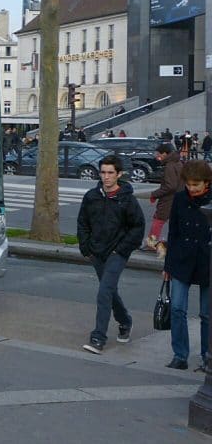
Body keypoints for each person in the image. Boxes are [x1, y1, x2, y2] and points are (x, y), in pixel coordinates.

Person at [77, 155, 145, 355]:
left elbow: (138, 227)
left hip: (118, 252)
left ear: (119, 174)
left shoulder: (127, 200)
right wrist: (86, 247)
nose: (106, 177)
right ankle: (125, 321)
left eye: (110, 173)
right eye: (103, 172)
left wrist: (121, 249)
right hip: (96, 251)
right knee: (109, 291)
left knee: (104, 291)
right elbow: (83, 223)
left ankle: (98, 338)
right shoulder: (91, 196)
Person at [161, 160, 212, 371]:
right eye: (189, 184)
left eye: (196, 185)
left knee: (207, 314)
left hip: (207, 261)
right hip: (182, 260)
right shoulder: (181, 199)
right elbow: (173, 232)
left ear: (206, 183)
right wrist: (167, 265)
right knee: (177, 308)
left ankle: (207, 356)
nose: (192, 189)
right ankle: (180, 355)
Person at [142, 143, 183, 251]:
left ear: (165, 153)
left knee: (158, 220)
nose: (157, 156)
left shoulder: (169, 166)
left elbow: (170, 186)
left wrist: (154, 194)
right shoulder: (177, 162)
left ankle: (151, 244)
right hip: (178, 197)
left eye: (158, 154)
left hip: (169, 199)